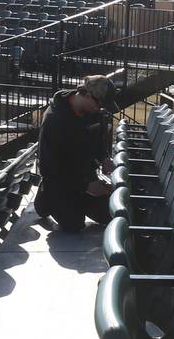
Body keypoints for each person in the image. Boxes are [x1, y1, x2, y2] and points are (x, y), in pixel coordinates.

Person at [33, 74, 119, 232]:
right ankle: (45, 198)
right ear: (87, 94)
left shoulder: (93, 112)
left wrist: (104, 158)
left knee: (110, 213)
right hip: (60, 180)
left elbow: (98, 139)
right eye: (100, 104)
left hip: (84, 175)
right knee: (74, 223)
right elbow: (48, 166)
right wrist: (86, 187)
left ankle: (79, 200)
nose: (100, 109)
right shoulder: (54, 119)